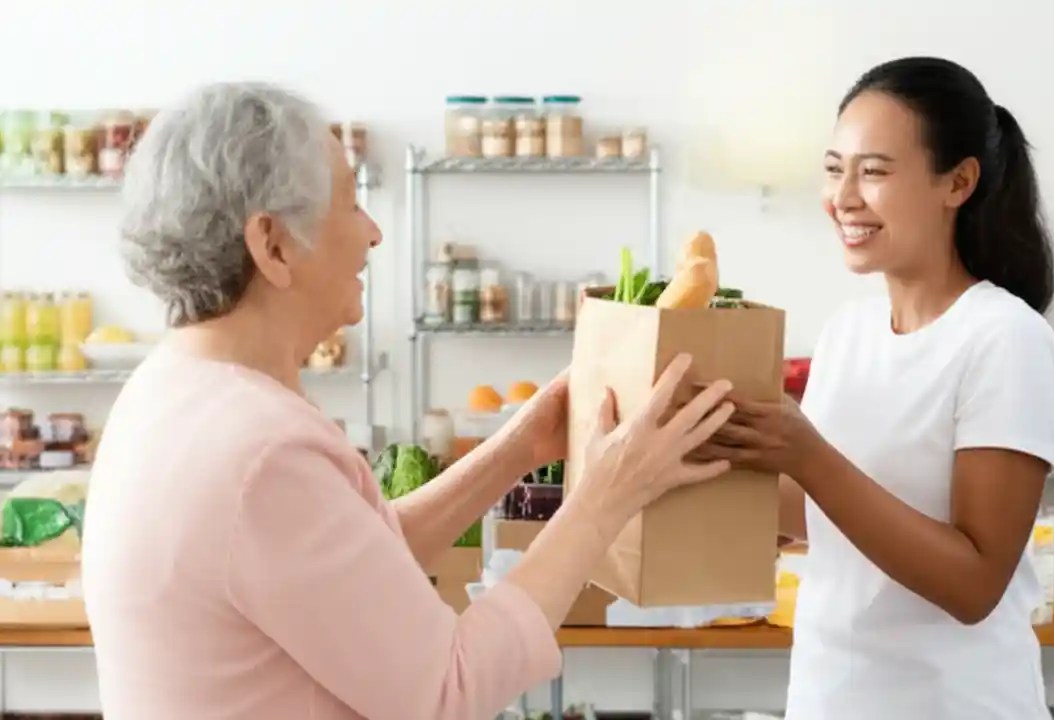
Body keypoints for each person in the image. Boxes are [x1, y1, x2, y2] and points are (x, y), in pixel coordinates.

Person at [81, 81, 736, 720]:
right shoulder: (260, 453)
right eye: (347, 201)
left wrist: (518, 448)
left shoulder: (168, 391)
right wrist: (604, 499)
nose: (372, 232)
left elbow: (365, 562)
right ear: (272, 244)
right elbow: (448, 688)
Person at [702, 57, 1054, 719]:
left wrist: (806, 452)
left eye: (873, 171)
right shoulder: (852, 329)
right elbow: (817, 514)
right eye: (833, 168)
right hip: (829, 699)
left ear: (958, 182)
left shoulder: (1004, 340)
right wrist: (716, 451)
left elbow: (973, 583)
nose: (843, 195)